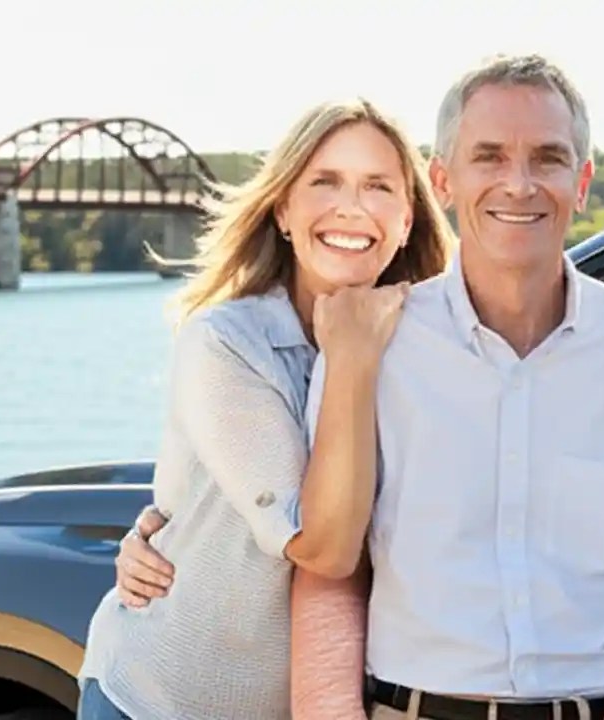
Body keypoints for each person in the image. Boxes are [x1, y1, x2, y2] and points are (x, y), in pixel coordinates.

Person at [119, 54, 604, 720]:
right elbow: (328, 562)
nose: (519, 184)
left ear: (584, 180)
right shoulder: (352, 353)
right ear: (444, 180)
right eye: (488, 156)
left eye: (547, 158)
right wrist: (146, 532)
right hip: (189, 693)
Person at [77, 96, 455, 720]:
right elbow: (323, 548)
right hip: (158, 700)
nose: (352, 207)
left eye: (378, 186)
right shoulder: (225, 343)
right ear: (284, 209)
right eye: (325, 181)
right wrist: (353, 358)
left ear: (408, 218)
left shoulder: (437, 350)